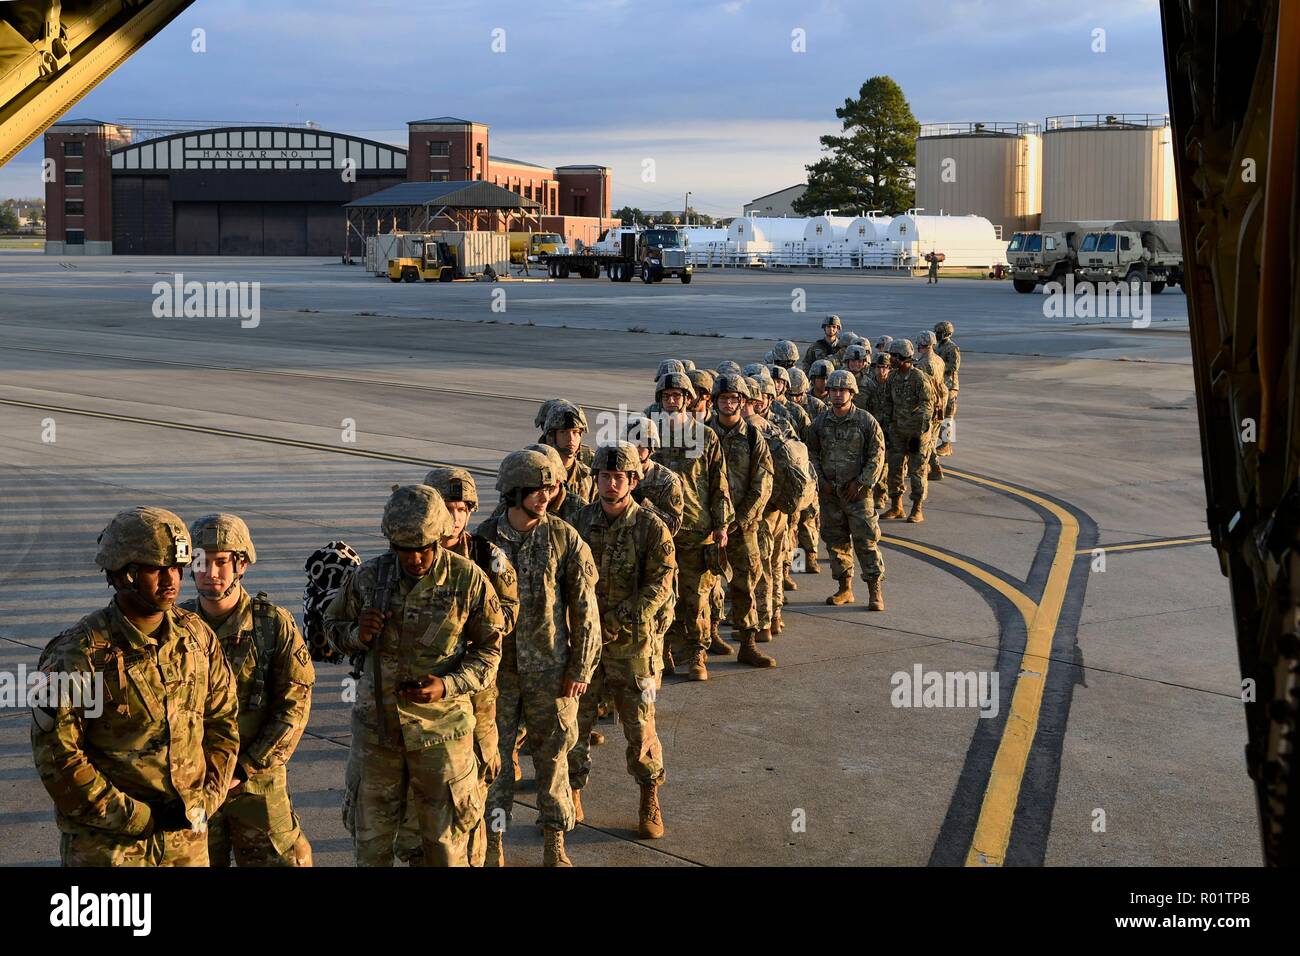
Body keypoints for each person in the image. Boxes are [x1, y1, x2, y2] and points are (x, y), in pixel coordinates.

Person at [32, 507, 240, 866]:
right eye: (157, 569)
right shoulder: (78, 654)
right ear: (124, 574)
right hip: (109, 847)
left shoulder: (195, 637)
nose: (171, 578)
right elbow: (59, 759)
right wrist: (138, 818)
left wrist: (205, 799)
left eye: (176, 567)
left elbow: (222, 721)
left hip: (186, 842)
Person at [325, 485, 504, 867]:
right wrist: (359, 634)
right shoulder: (370, 578)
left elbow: (489, 652)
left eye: (425, 547)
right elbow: (332, 627)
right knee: (371, 844)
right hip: (378, 735)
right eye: (406, 549)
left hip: (442, 736)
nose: (417, 558)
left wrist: (448, 684)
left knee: (445, 846)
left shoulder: (468, 581)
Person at [477, 450, 601, 866]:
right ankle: (493, 846)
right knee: (494, 767)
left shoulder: (565, 538)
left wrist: (580, 667)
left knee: (553, 763)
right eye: (536, 489)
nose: (546, 496)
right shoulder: (483, 542)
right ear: (514, 492)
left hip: (551, 671)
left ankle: (555, 844)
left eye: (550, 487)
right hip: (498, 674)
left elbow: (586, 609)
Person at [182, 513, 314, 867]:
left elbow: (294, 708)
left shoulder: (272, 625)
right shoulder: (177, 628)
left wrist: (245, 769)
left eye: (220, 562)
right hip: (194, 786)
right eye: (200, 561)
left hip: (256, 785)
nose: (210, 572)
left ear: (241, 564)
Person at [569, 442, 676, 838]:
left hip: (633, 648)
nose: (611, 484)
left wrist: (615, 621)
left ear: (633, 480)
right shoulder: (578, 522)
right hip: (585, 646)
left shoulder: (651, 526)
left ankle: (649, 795)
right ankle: (572, 791)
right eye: (604, 477)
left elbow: (659, 585)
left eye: (619, 477)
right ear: (595, 479)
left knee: (640, 727)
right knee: (575, 724)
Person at [651, 371, 733, 681]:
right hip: (658, 530)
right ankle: (667, 651)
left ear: (689, 400)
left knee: (697, 598)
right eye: (666, 396)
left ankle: (698, 654)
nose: (672, 401)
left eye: (677, 396)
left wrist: (722, 524)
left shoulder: (706, 436)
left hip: (697, 529)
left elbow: (719, 484)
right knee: (662, 595)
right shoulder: (648, 435)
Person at [708, 374, 777, 666]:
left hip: (743, 524)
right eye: (723, 398)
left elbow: (763, 481)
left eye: (734, 399)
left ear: (743, 402)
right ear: (715, 402)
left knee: (745, 582)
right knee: (703, 585)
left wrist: (742, 518)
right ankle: (707, 636)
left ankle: (747, 642)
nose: (728, 403)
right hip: (708, 524)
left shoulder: (752, 436)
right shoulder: (700, 435)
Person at [807, 371, 888, 611]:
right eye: (833, 390)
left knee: (866, 541)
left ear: (852, 393)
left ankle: (875, 590)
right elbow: (811, 454)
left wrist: (862, 483)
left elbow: (877, 454)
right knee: (835, 541)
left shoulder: (865, 421)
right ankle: (845, 587)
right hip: (831, 494)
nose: (838, 394)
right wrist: (821, 480)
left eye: (843, 390)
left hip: (858, 495)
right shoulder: (820, 422)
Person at [880, 340, 937, 523]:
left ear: (903, 357)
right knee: (894, 469)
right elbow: (887, 402)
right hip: (897, 431)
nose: (892, 360)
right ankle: (896, 506)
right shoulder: (893, 378)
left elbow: (927, 407)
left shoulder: (919, 378)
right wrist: (888, 427)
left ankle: (916, 508)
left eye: (894, 356)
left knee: (917, 470)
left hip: (915, 433)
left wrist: (918, 434)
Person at [914, 330, 949, 481]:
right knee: (932, 437)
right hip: (940, 403)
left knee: (926, 438)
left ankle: (934, 467)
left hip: (930, 404)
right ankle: (934, 467)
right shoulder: (939, 360)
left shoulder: (923, 364)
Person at [933, 321, 961, 458]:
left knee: (948, 416)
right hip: (941, 385)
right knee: (939, 414)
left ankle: (947, 444)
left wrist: (939, 367)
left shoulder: (952, 348)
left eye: (938, 332)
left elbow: (954, 366)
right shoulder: (937, 347)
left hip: (950, 386)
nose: (936, 335)